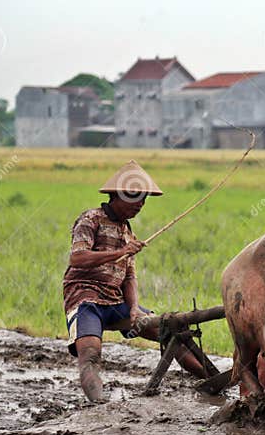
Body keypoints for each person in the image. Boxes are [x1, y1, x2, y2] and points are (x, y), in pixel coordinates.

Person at [63, 160, 207, 402]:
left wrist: (133, 309)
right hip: (85, 299)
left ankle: (213, 380)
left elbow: (129, 277)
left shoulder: (128, 232)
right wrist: (121, 252)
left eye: (143, 199)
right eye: (133, 197)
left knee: (172, 332)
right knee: (89, 354)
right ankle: (100, 405)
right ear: (115, 196)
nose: (140, 204)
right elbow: (77, 258)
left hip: (116, 302)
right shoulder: (91, 219)